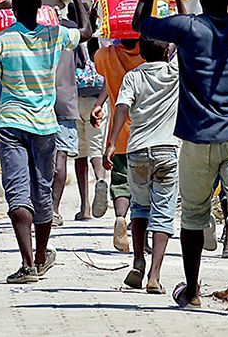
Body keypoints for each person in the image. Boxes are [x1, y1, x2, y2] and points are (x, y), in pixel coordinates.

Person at [133, 0, 228, 317]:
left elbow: (140, 24)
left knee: (194, 215)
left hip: (196, 139)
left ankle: (192, 290)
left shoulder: (187, 28)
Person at [0, 0, 91, 284]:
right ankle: (42, 256)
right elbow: (86, 31)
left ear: (15, 9)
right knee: (42, 192)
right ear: (39, 7)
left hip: (10, 124)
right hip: (45, 125)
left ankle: (27, 263)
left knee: (17, 191)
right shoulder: (54, 34)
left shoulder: (1, 42)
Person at [103, 39, 179, 294]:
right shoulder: (176, 73)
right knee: (164, 211)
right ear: (168, 51)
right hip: (168, 150)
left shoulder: (132, 76)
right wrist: (178, 2)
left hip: (136, 150)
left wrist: (112, 143)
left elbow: (122, 107)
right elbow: (187, 39)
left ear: (142, 53)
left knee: (140, 207)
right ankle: (154, 275)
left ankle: (138, 261)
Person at [91, 38, 144, 252]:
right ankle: (144, 238)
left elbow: (95, 58)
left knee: (121, 183)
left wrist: (99, 103)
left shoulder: (107, 55)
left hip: (119, 135)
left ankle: (120, 217)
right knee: (145, 188)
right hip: (147, 134)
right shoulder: (151, 51)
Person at [51, 10, 81, 225]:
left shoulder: (31, 32)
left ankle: (39, 206)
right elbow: (80, 62)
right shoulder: (68, 31)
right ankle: (53, 209)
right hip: (65, 99)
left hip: (36, 101)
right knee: (60, 157)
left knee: (40, 159)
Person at [75, 37, 109, 219]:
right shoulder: (101, 39)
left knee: (80, 153)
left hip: (74, 100)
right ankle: (101, 179)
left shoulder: (68, 36)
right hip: (97, 100)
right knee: (96, 149)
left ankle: (85, 207)